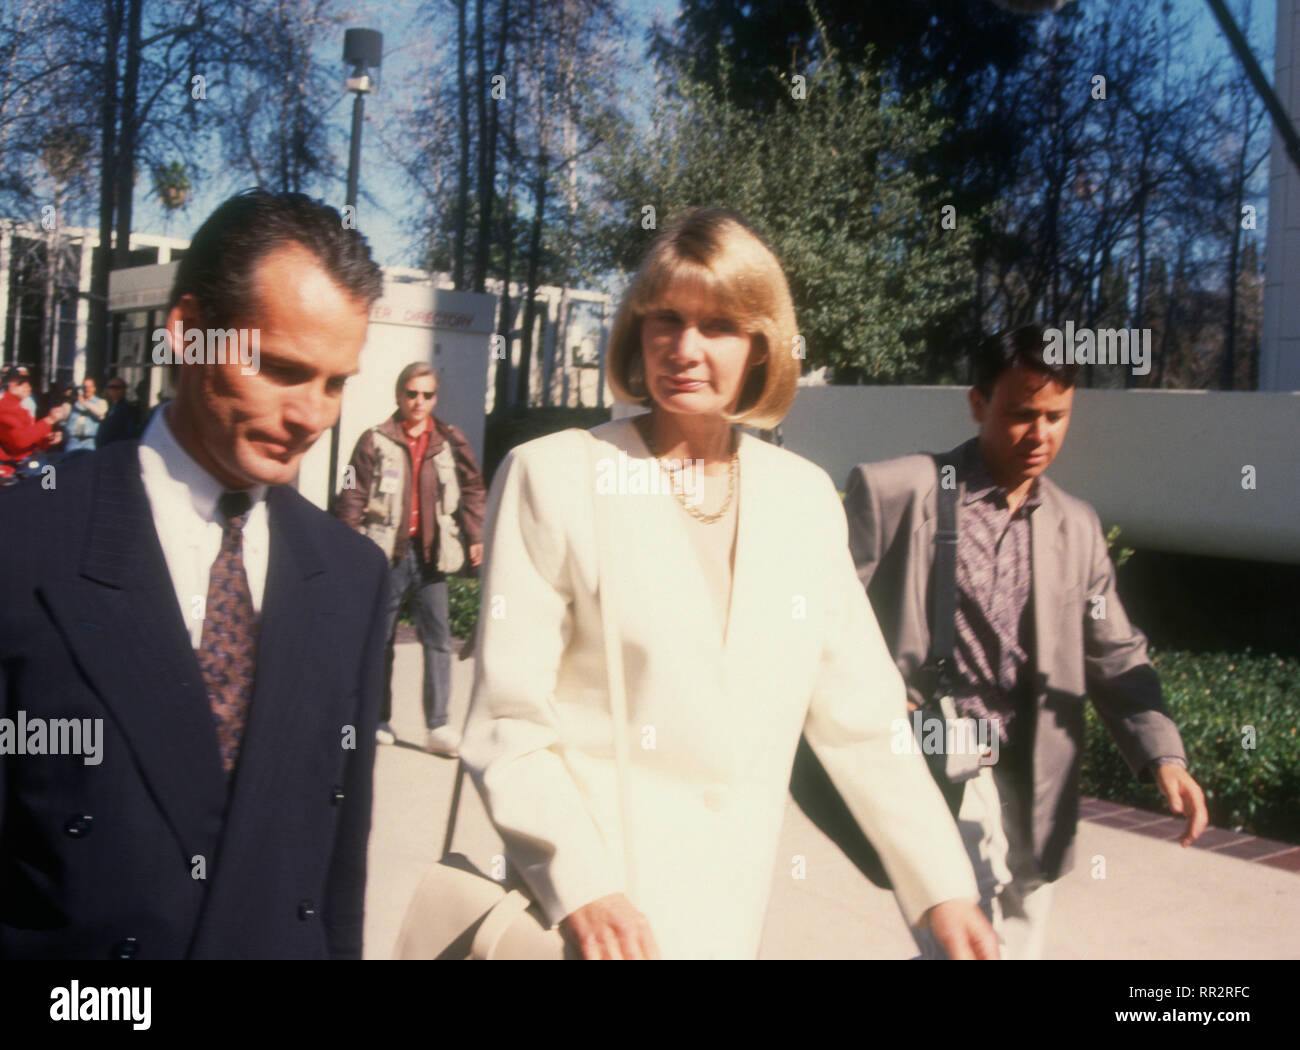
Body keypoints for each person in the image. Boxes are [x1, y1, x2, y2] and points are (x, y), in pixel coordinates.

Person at [459, 208, 996, 960]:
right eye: (666, 319)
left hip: (725, 921)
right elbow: (508, 721)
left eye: (717, 326)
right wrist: (583, 885)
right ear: (636, 332)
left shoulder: (803, 500)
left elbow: (864, 722)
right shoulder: (553, 476)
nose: (685, 348)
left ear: (760, 347)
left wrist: (943, 886)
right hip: (584, 927)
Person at [0, 189, 390, 959]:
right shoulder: (27, 541)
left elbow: (338, 874)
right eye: (281, 368)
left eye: (336, 382)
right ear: (187, 334)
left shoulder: (353, 579)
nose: (313, 414)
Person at [843, 324, 1208, 961]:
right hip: (939, 768)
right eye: (1020, 414)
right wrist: (879, 696)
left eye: (1056, 416)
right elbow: (828, 617)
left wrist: (1163, 756)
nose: (1040, 435)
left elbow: (1114, 653)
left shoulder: (1078, 527)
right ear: (978, 403)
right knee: (970, 947)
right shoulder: (899, 493)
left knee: (1011, 948)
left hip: (1036, 779)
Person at [335, 362, 486, 756]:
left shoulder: (451, 440)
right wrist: (346, 542)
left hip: (432, 557)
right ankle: (377, 719)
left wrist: (475, 535)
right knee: (380, 640)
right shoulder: (374, 440)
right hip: (385, 554)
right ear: (399, 395)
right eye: (412, 394)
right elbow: (352, 491)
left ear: (435, 398)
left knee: (437, 640)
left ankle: (439, 726)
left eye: (427, 395)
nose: (419, 402)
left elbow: (472, 489)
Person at [0, 365, 68, 475]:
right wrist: (49, 420)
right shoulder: (3, 407)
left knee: (72, 461)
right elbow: (20, 441)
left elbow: (33, 441)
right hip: (10, 469)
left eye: (28, 382)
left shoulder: (21, 409)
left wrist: (48, 439)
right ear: (8, 384)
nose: (27, 386)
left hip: (26, 465)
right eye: (21, 382)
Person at [65, 377, 108, 453]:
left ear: (94, 388)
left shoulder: (100, 402)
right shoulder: (75, 402)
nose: (87, 389)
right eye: (84, 387)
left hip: (89, 441)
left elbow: (100, 413)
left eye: (89, 387)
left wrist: (84, 403)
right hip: (73, 441)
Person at [97, 376, 141, 446]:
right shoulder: (111, 408)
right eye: (109, 387)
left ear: (123, 390)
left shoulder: (126, 409)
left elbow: (130, 432)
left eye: (114, 387)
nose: (111, 390)